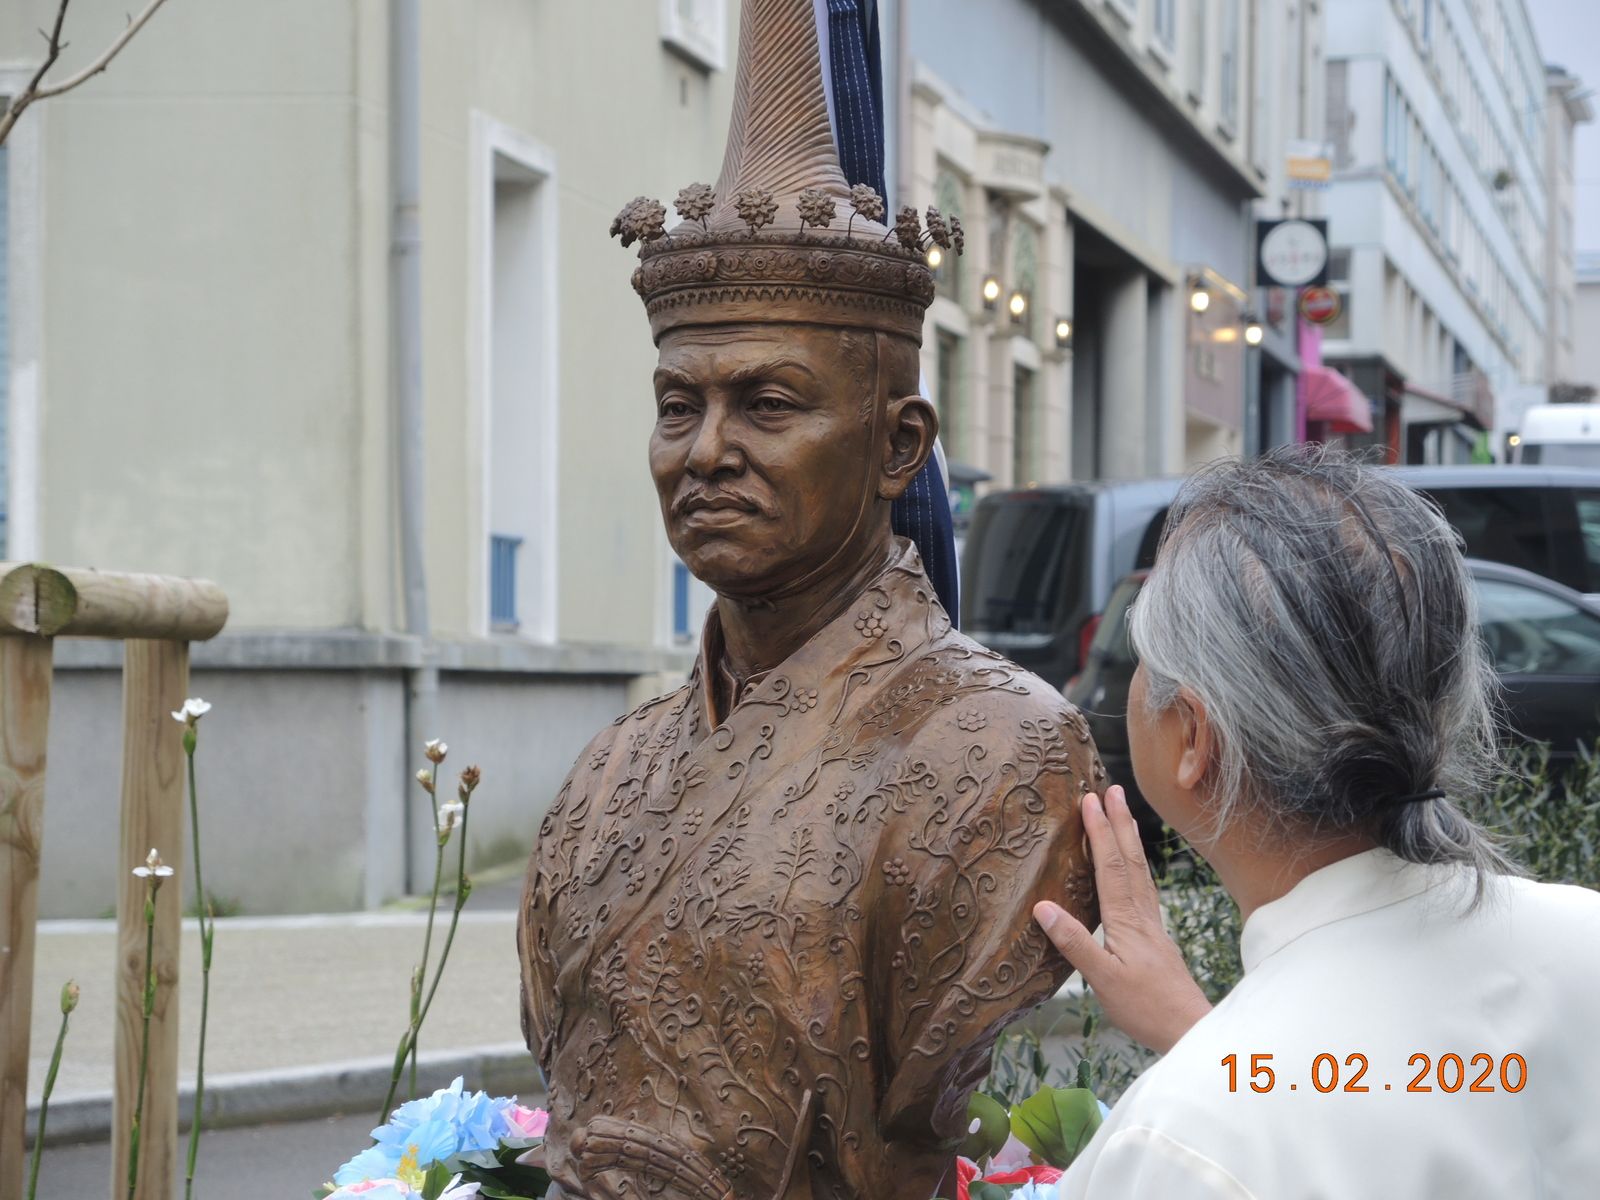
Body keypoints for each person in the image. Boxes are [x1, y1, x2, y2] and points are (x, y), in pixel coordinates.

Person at [517, 3, 1104, 1198]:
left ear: (898, 445)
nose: (705, 452)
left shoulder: (1008, 753)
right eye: (677, 407)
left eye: (768, 405)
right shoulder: (609, 770)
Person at [1035, 448, 1600, 1198]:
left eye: (1143, 653)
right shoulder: (1584, 941)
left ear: (1195, 737)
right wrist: (1205, 1036)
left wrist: (1216, 1055)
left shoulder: (1179, 1143)